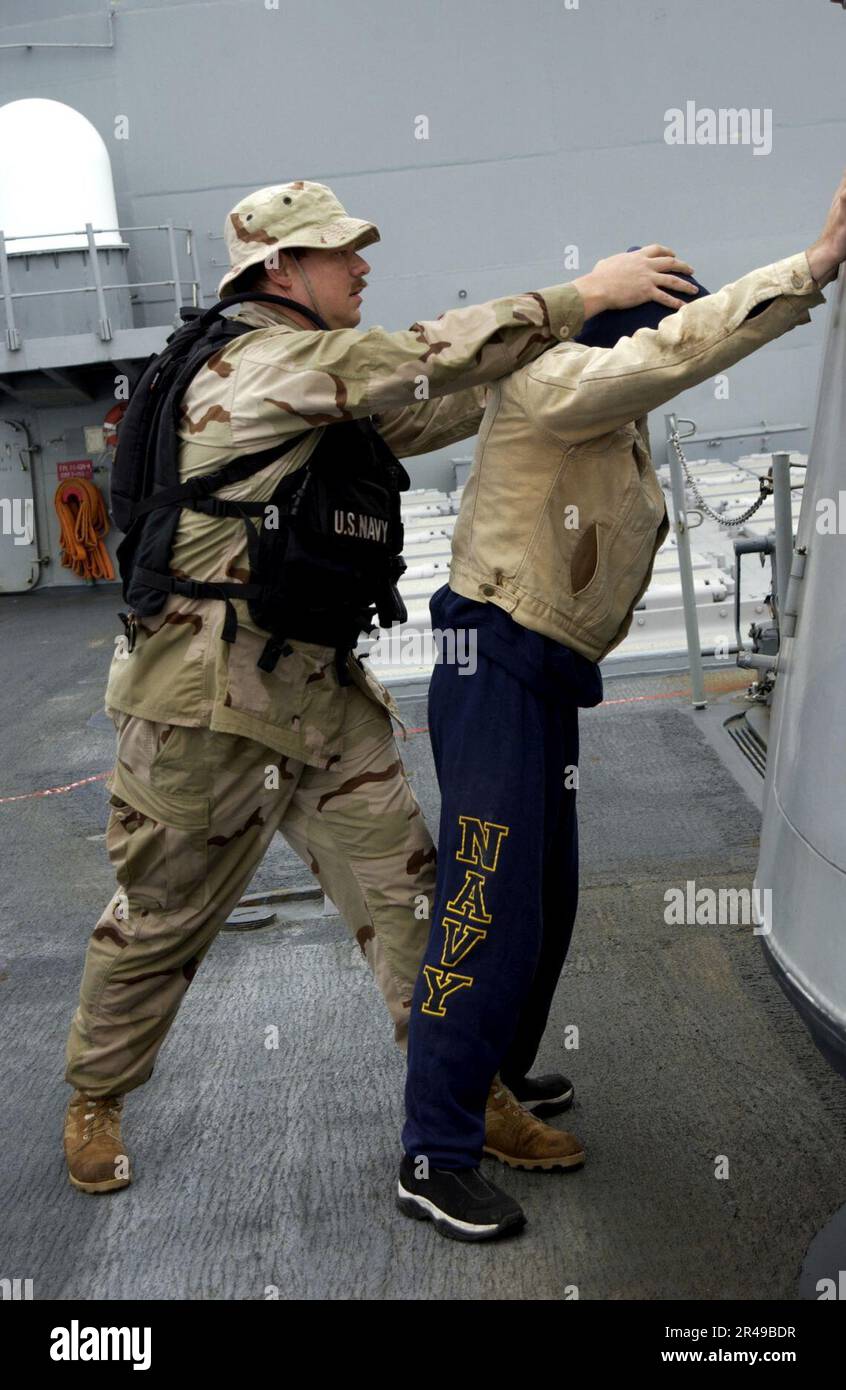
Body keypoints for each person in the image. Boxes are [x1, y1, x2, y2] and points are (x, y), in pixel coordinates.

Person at [61, 180, 693, 1193]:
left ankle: (468, 1090)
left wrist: (539, 367)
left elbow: (426, 401)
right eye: (337, 253)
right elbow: (415, 360)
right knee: (160, 919)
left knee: (417, 901)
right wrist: (580, 294)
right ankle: (96, 1094)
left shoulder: (315, 389)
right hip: (201, 712)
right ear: (279, 270)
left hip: (317, 701)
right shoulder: (262, 362)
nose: (360, 265)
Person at [398, 171, 846, 1242]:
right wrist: (809, 270)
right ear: (614, 321)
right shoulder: (557, 376)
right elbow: (667, 353)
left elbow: (658, 362)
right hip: (493, 655)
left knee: (545, 898)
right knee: (486, 900)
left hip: (542, 669)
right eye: (652, 312)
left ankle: (498, 1083)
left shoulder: (617, 414)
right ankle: (434, 1146)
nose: (666, 334)